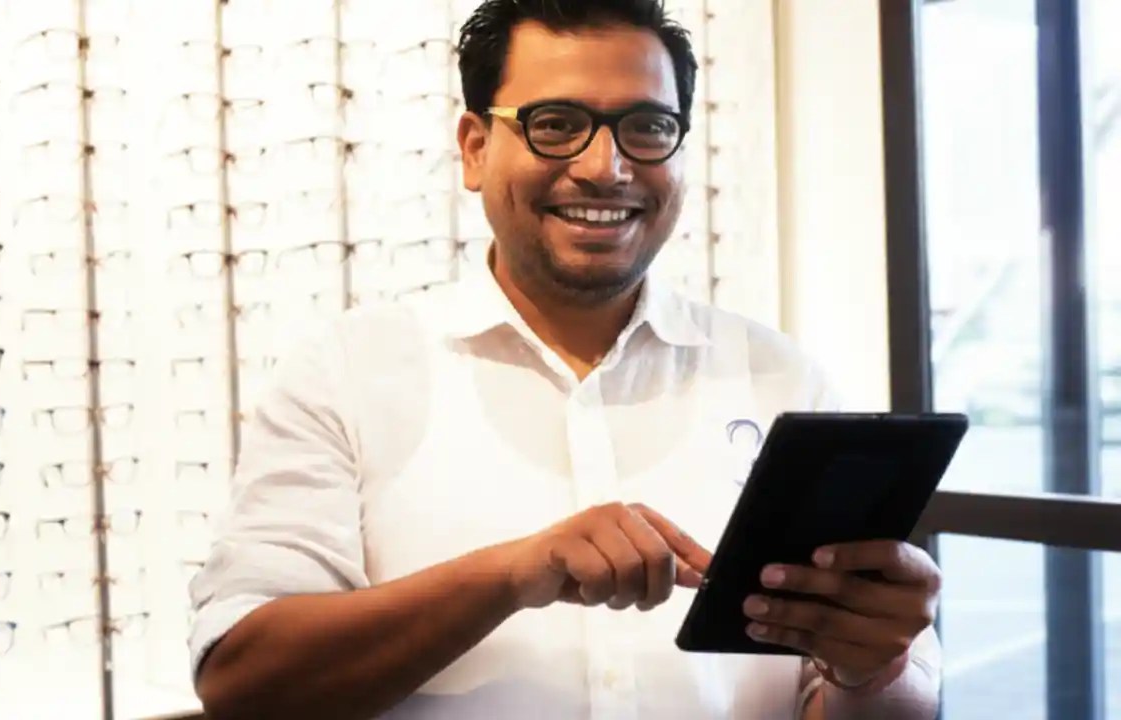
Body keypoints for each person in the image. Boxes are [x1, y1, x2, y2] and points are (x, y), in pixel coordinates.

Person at [188, 0, 943, 718]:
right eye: (555, 124)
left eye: (647, 127)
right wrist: (510, 575)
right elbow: (244, 684)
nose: (605, 167)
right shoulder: (345, 377)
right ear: (475, 148)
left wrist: (871, 667)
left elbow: (863, 702)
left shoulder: (784, 381)